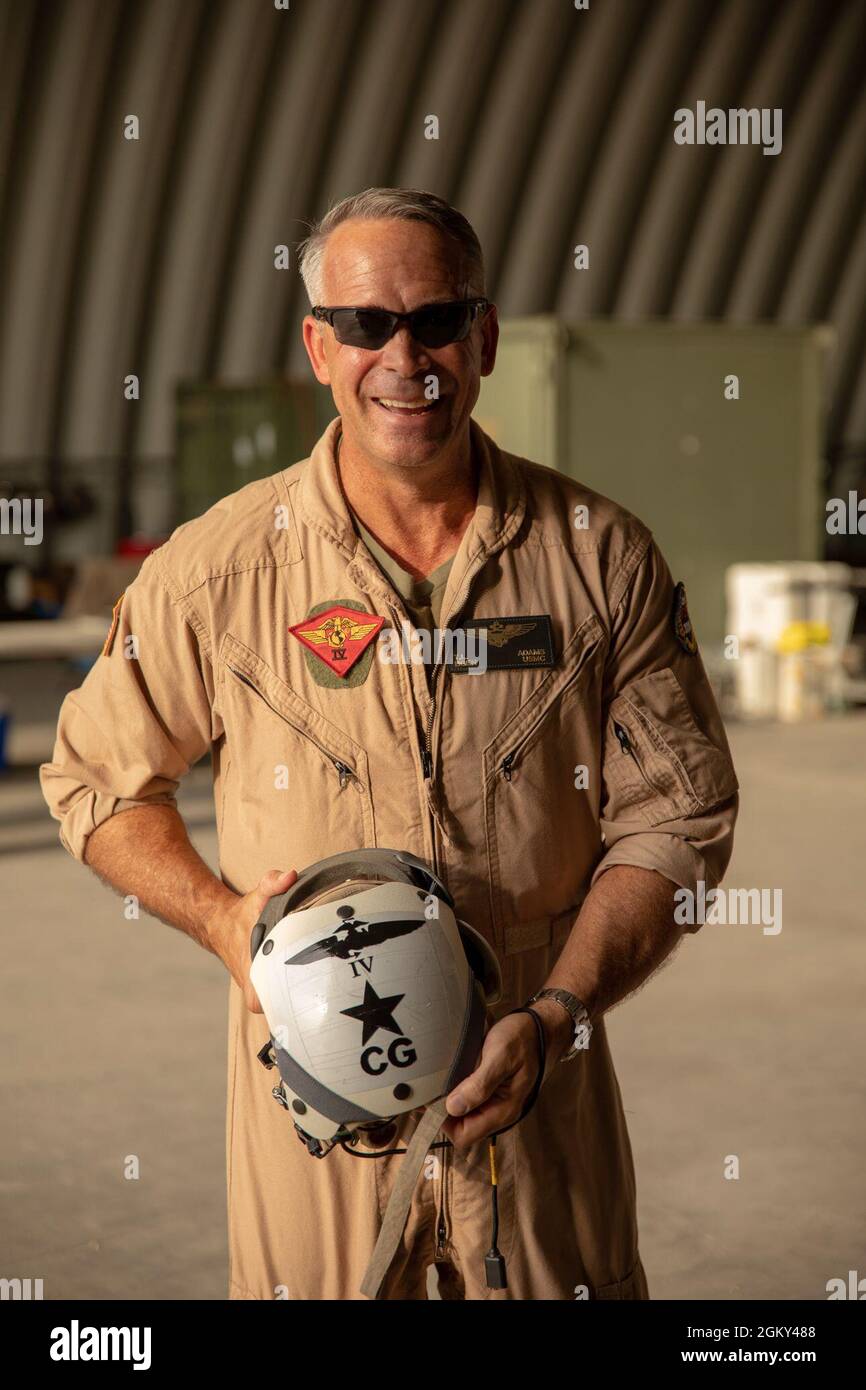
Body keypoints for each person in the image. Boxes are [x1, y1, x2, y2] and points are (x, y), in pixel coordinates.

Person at [40, 187, 739, 1301]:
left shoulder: (600, 560)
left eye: (435, 320)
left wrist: (555, 1013)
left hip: (538, 1101)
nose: (402, 357)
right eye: (365, 324)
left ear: (485, 338)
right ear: (319, 347)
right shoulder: (218, 573)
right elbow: (97, 783)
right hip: (312, 1116)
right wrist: (224, 923)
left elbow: (677, 818)